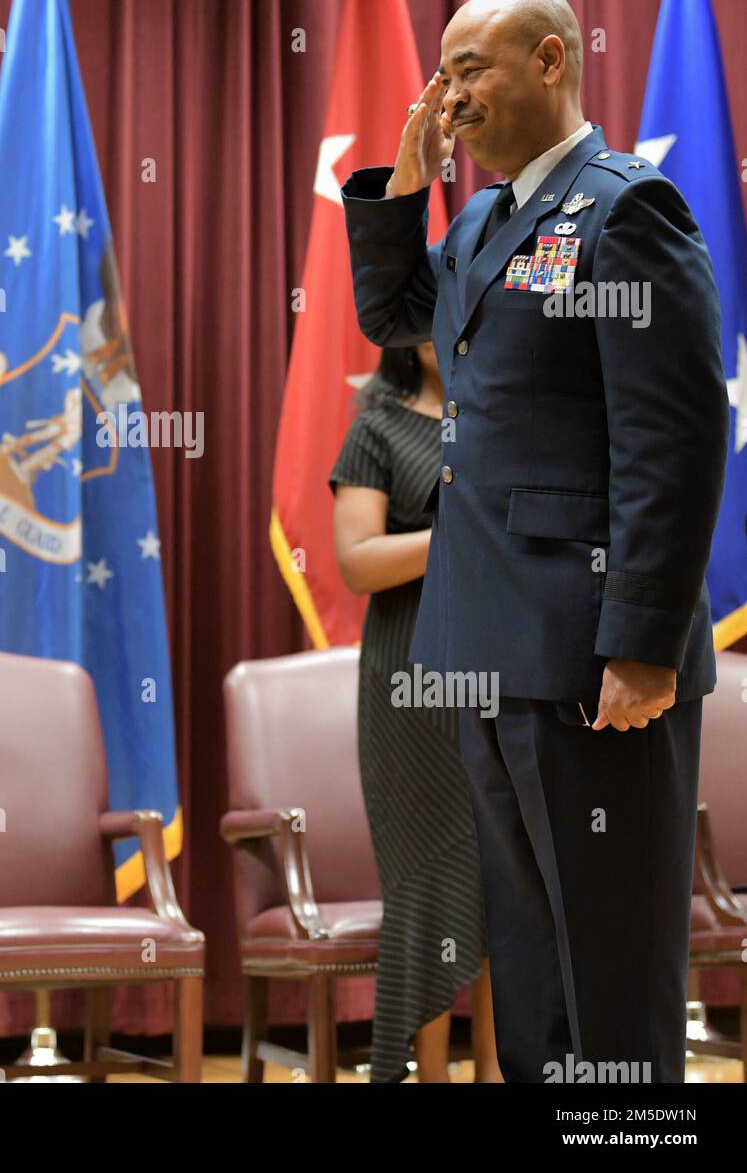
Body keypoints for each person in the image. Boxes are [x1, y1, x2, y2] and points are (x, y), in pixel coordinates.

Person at [339, 0, 729, 1083]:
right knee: (529, 951)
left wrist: (642, 641)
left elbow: (676, 438)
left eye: (471, 70)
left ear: (551, 59)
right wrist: (403, 191)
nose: (447, 95)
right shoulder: (482, 217)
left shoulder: (626, 210)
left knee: (609, 961)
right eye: (445, 73)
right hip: (487, 640)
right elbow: (394, 317)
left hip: (591, 651)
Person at [331, 343, 499, 1083]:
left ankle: (497, 1070)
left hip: (505, 669)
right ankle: (425, 1073)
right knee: (428, 879)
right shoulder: (376, 429)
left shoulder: (508, 422)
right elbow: (357, 560)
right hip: (411, 680)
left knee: (506, 884)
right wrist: (458, 538)